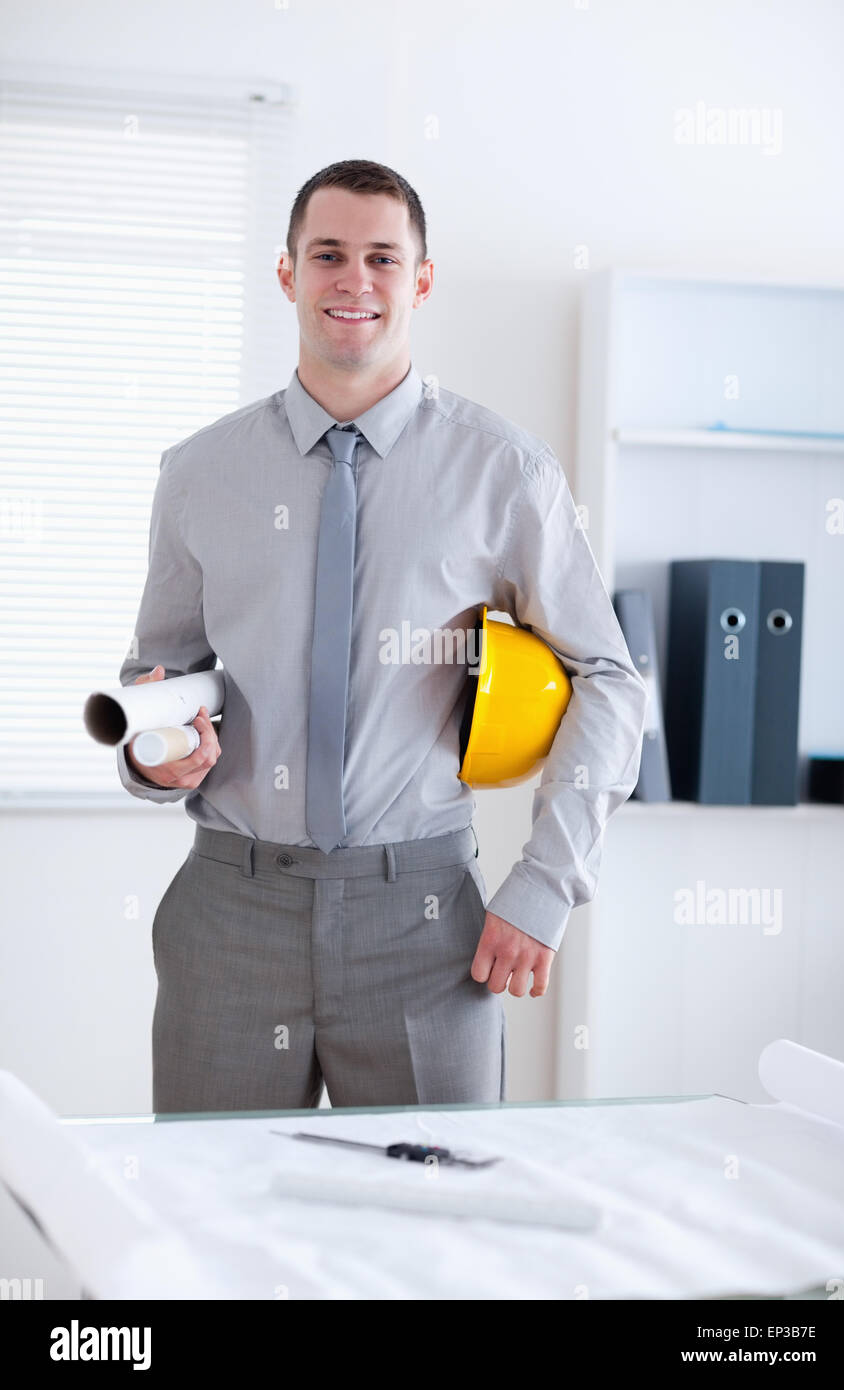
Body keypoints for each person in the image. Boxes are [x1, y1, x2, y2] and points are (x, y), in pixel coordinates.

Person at [117, 159, 648, 1113]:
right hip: (230, 915)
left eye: (381, 258)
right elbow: (156, 672)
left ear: (421, 279)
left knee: (433, 1233)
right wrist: (154, 759)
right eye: (327, 255)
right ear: (287, 273)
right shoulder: (199, 474)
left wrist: (547, 884)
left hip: (425, 921)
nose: (352, 281)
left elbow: (609, 675)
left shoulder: (506, 472)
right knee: (212, 1237)